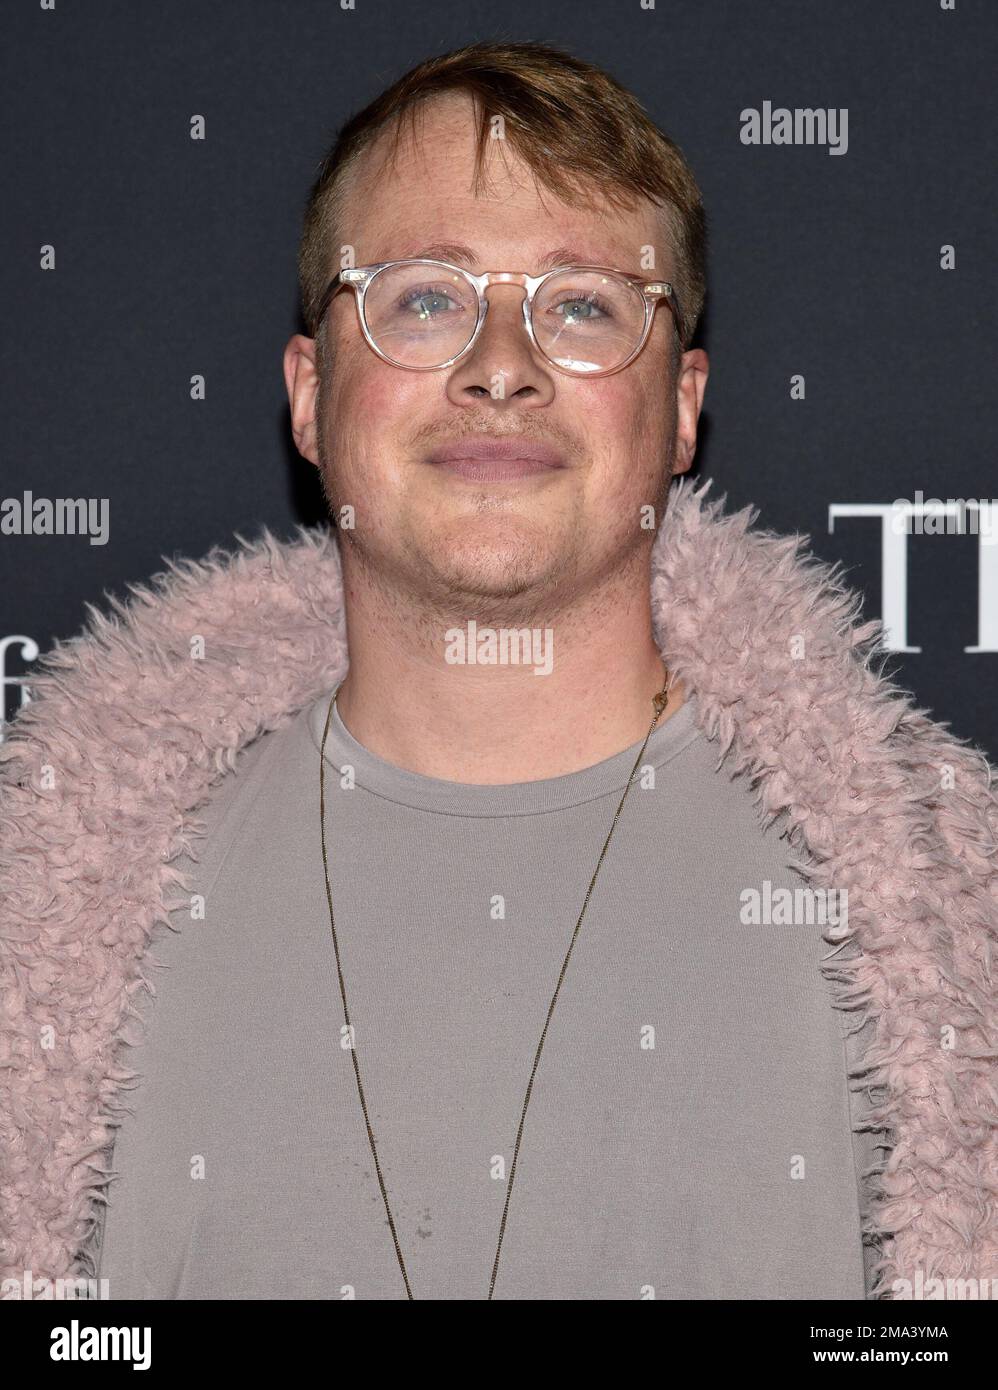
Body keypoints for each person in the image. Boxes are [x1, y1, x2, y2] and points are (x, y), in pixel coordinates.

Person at [1, 41, 995, 1304]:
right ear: (310, 396)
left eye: (581, 304)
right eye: (423, 298)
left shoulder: (953, 912)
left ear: (682, 406)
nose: (500, 364)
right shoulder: (36, 910)